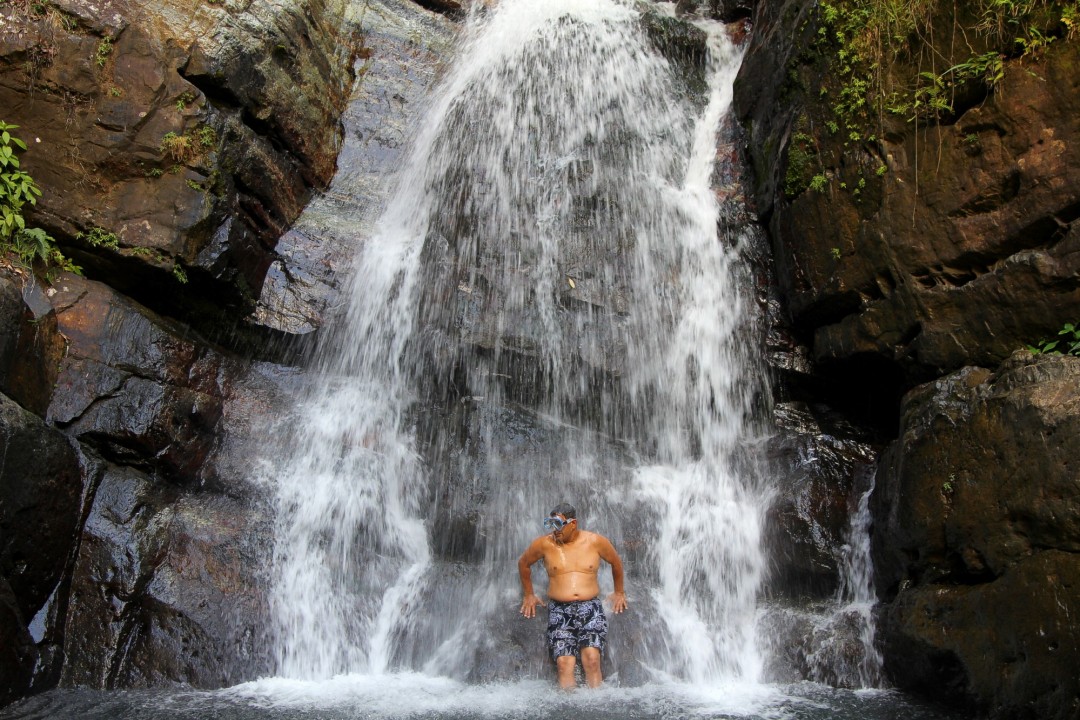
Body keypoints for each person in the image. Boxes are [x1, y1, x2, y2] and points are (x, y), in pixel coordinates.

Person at [517, 502, 628, 689]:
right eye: (550, 524)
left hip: (590, 607)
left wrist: (619, 592)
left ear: (573, 523)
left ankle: (596, 707)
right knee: (563, 664)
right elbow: (523, 563)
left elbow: (616, 563)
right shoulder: (545, 544)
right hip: (559, 609)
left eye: (558, 524)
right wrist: (529, 594)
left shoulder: (595, 541)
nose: (555, 530)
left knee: (592, 659)